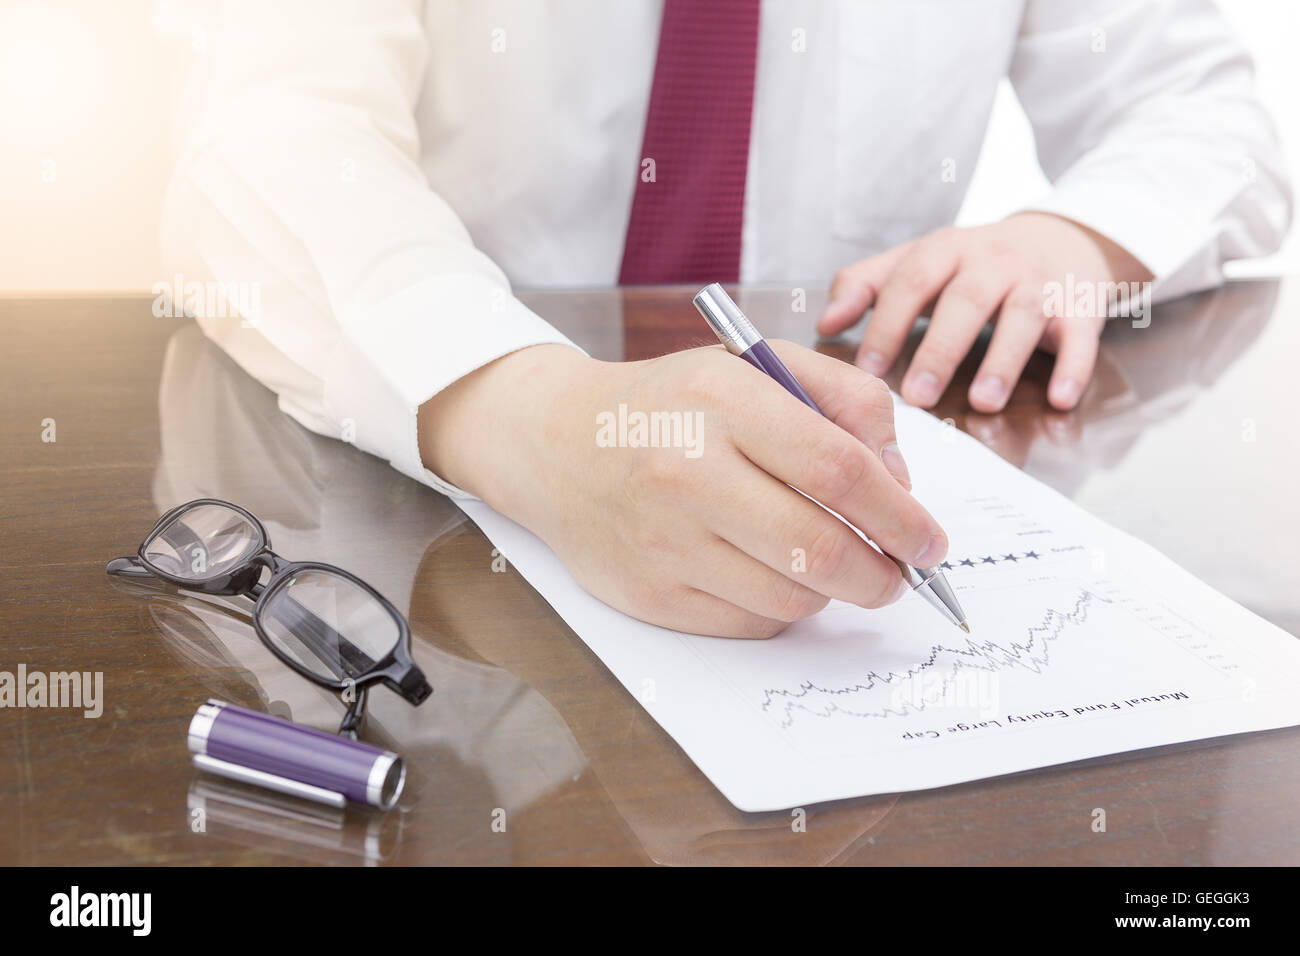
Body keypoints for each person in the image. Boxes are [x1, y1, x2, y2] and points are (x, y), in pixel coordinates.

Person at [162, 0, 1291, 638]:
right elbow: (270, 141)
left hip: (842, 431)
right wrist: (528, 414)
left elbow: (1201, 108)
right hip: (423, 496)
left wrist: (1079, 240)